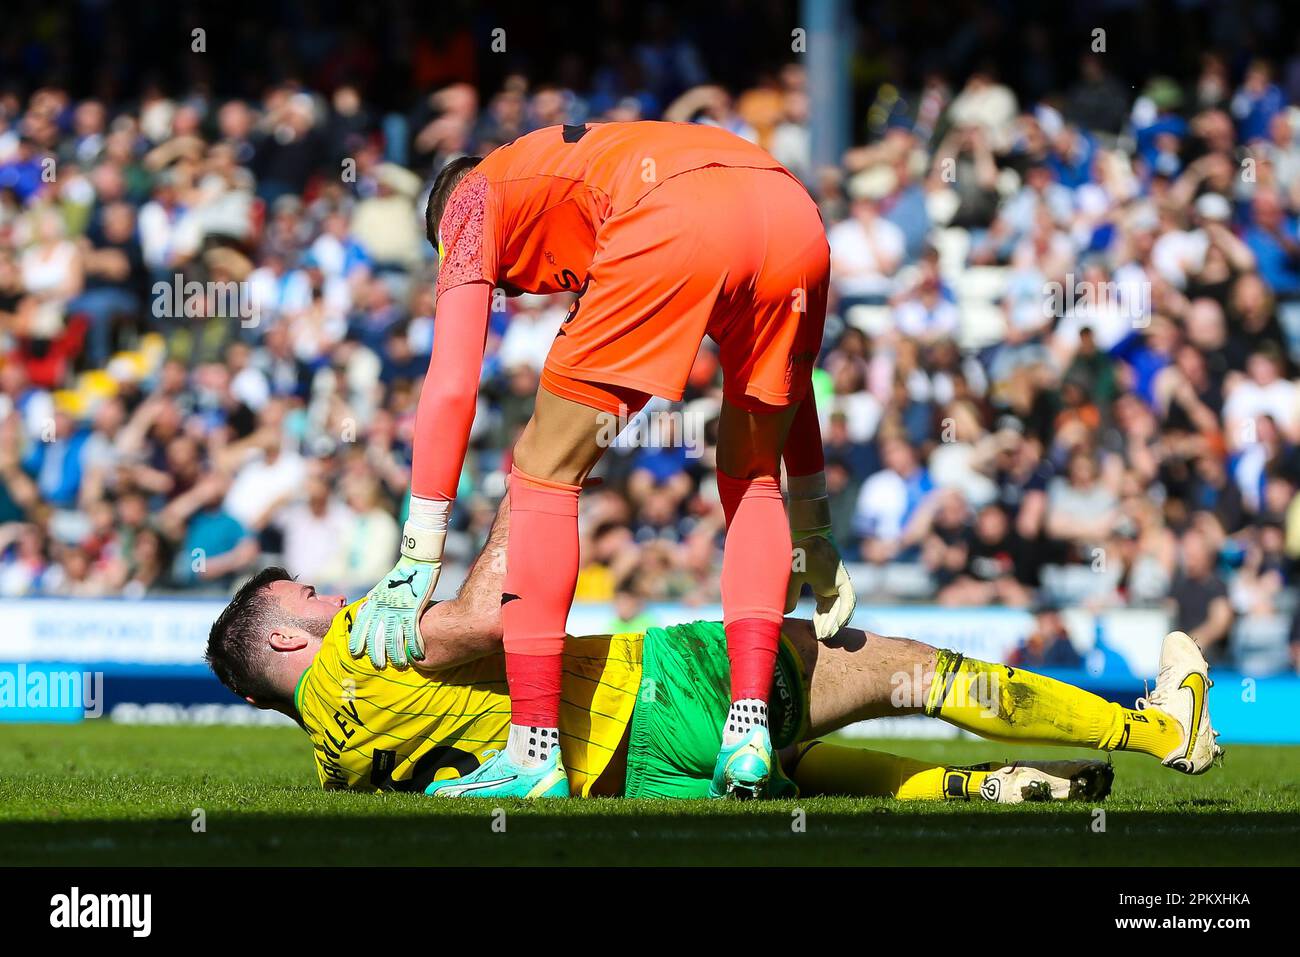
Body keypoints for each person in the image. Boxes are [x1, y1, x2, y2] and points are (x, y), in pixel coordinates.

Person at [349, 121, 856, 799]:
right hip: (793, 214)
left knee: (542, 472)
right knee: (754, 472)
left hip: (676, 219)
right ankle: (748, 733)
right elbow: (790, 391)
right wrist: (814, 524)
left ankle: (533, 756)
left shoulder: (472, 198)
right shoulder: (580, 170)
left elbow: (450, 382)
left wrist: (420, 550)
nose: (516, 289)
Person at [206, 497, 1222, 803]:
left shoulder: (333, 759)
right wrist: (534, 489)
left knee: (806, 767)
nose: (342, 593)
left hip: (632, 785)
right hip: (655, 689)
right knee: (908, 667)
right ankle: (1156, 726)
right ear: (291, 633)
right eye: (314, 595)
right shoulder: (357, 643)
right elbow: (488, 620)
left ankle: (980, 791)